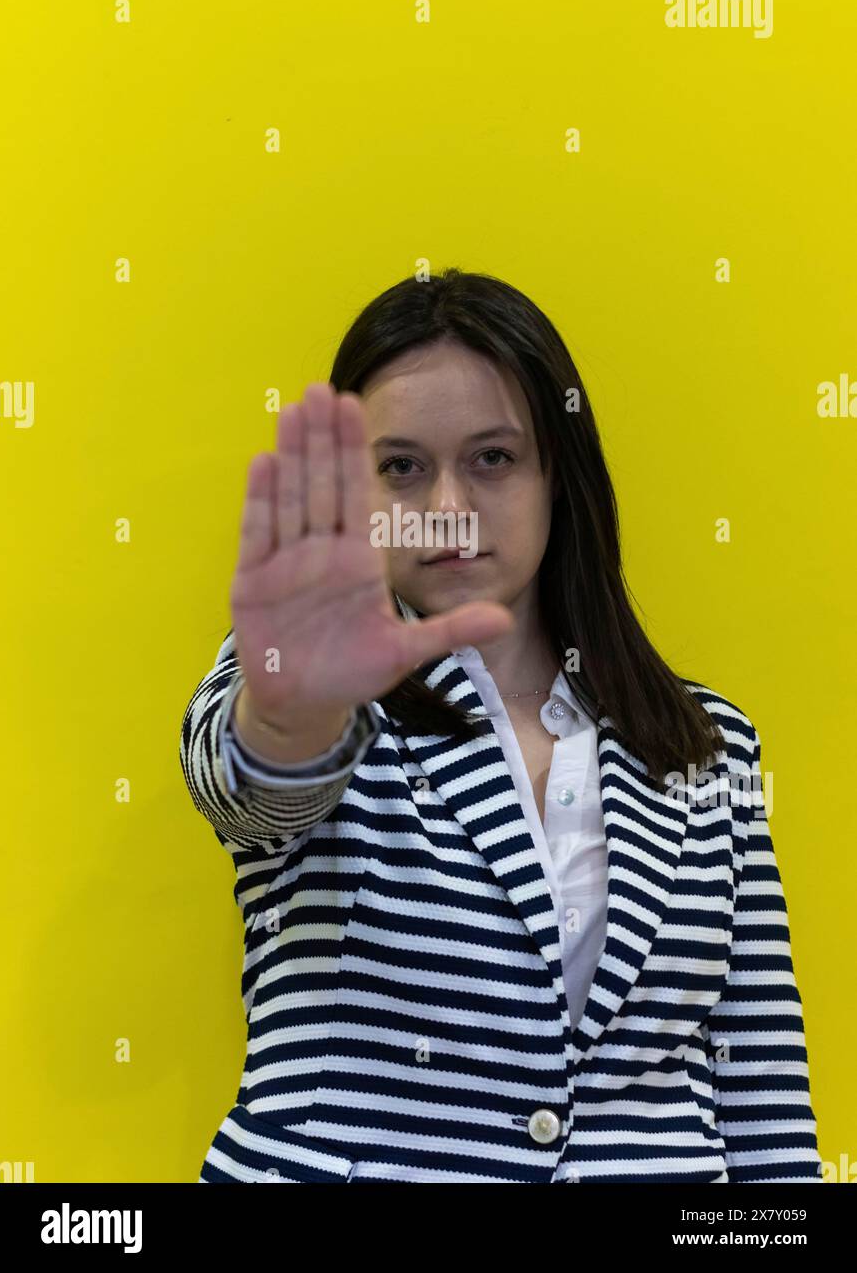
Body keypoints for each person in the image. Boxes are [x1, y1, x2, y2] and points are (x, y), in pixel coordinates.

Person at [179, 267, 822, 1184]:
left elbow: (759, 1085)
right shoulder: (302, 683)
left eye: (493, 458)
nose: (447, 506)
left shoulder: (709, 742)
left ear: (558, 475)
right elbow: (248, 787)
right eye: (400, 467)